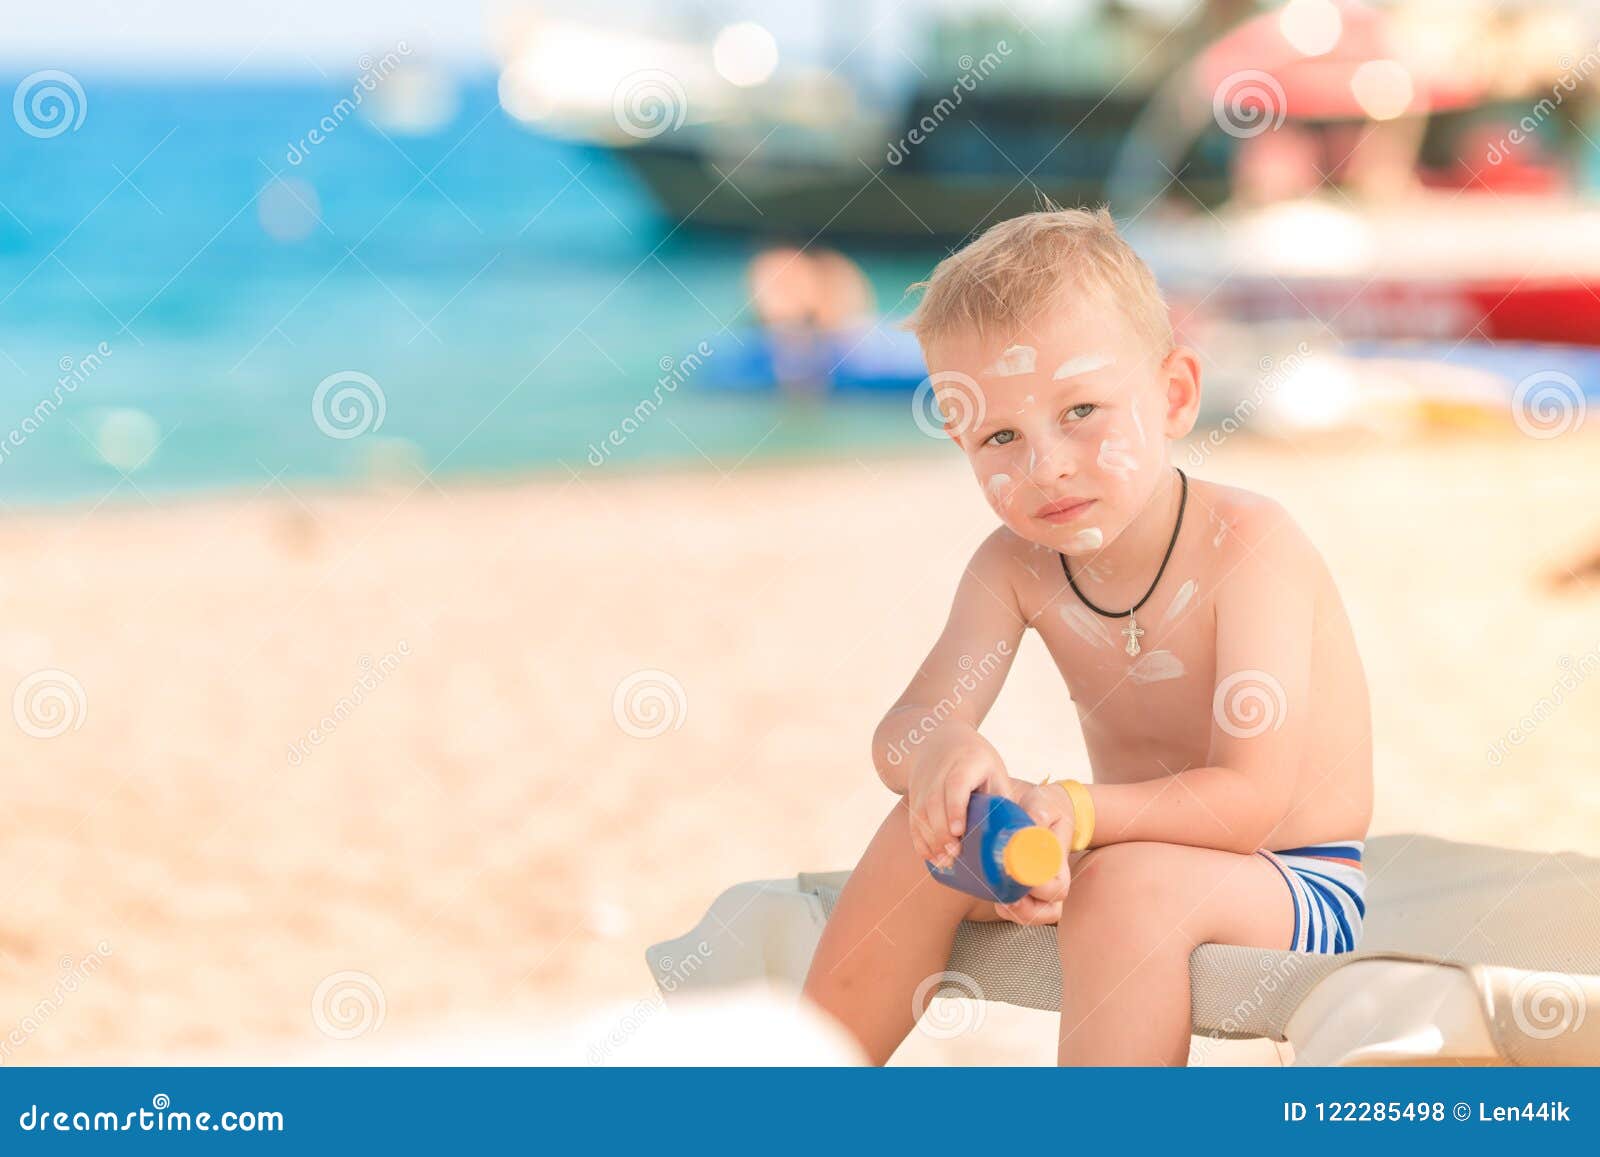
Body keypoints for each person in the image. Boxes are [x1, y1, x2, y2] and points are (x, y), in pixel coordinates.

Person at [800, 204, 1373, 1066]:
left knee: (1121, 888)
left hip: (1294, 878)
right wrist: (937, 759)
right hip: (1113, 844)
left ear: (1175, 395)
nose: (1047, 466)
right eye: (1000, 435)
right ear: (960, 439)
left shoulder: (1249, 547)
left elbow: (1249, 800)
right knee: (930, 836)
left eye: (1081, 411)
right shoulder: (1016, 566)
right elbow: (905, 726)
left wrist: (1075, 811)